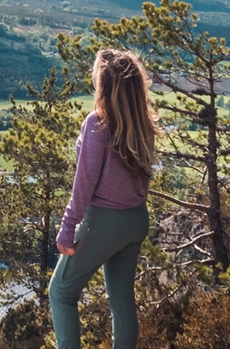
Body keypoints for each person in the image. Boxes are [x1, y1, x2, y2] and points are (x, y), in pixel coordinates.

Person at [49, 49, 161, 348]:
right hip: (136, 219)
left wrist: (68, 225)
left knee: (61, 292)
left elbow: (84, 182)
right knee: (122, 300)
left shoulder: (98, 123)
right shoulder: (143, 123)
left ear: (105, 85)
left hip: (103, 221)